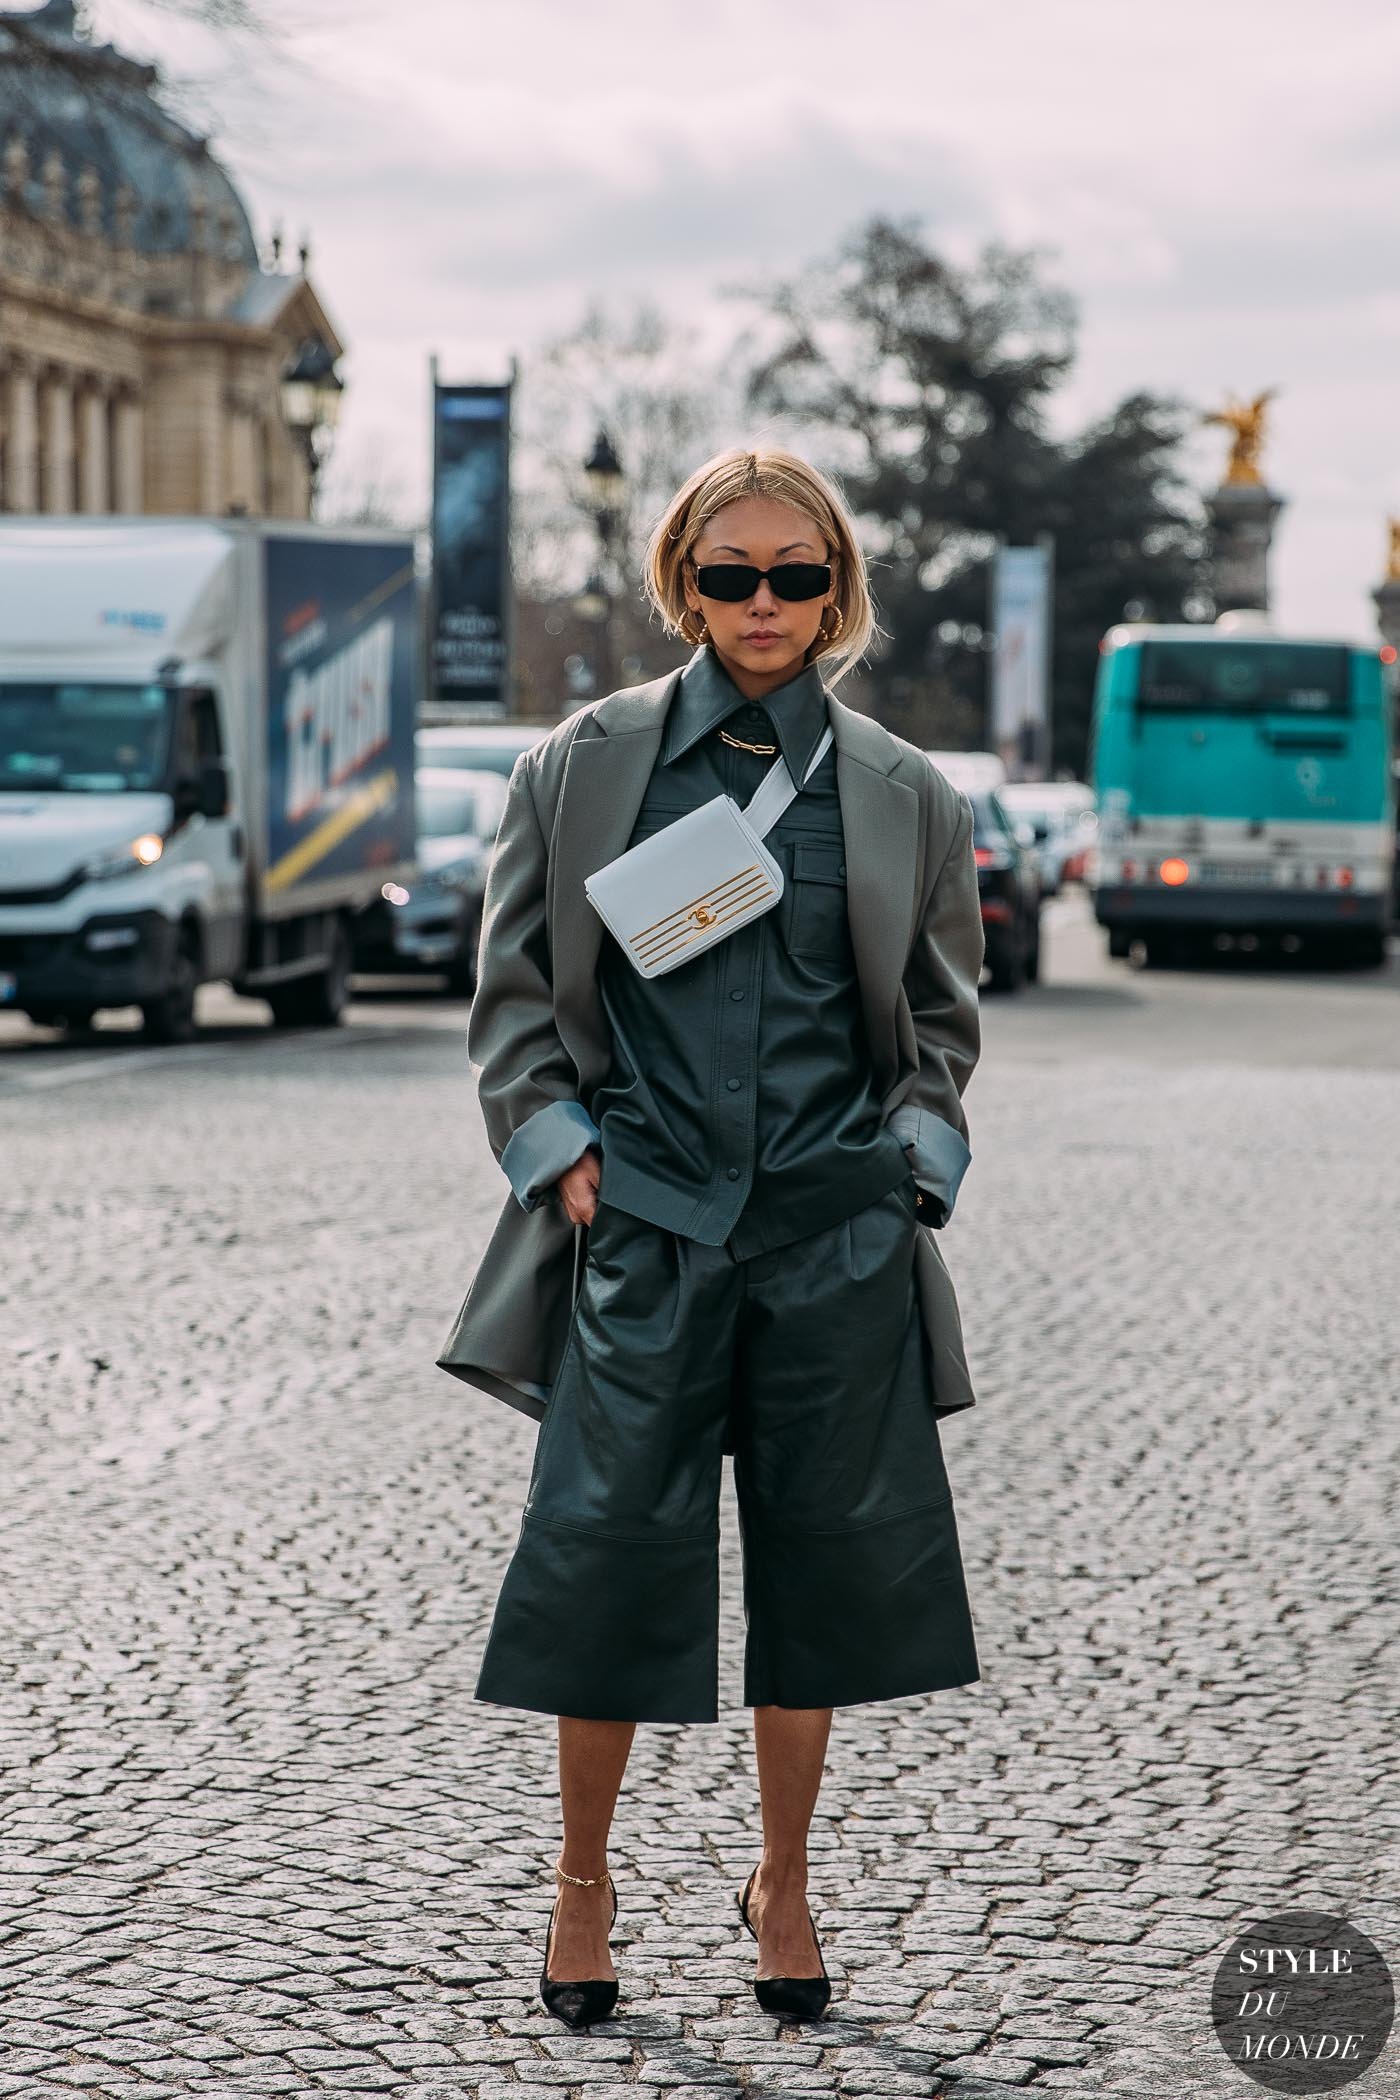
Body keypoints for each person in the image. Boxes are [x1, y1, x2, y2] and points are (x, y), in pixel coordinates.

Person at [440, 446, 985, 2031]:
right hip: (646, 1228)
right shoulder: (578, 765)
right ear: (685, 580)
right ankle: (583, 1882)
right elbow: (517, 1005)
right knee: (602, 1558)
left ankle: (785, 1881)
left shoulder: (904, 792)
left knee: (821, 1572)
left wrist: (911, 1177)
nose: (764, 603)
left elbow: (940, 1029)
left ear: (837, 588)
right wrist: (564, 1165)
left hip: (833, 1236)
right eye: (733, 574)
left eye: (795, 575)